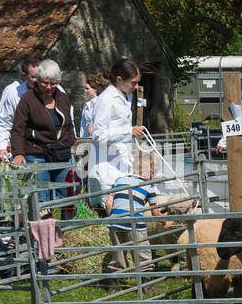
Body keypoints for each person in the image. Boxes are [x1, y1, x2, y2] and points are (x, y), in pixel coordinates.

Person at [10, 59, 76, 209]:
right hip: (37, 154)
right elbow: (18, 129)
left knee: (68, 196)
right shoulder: (27, 100)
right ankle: (43, 231)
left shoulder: (63, 98)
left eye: (53, 83)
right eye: (45, 82)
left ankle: (67, 229)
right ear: (38, 80)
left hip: (61, 153)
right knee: (41, 199)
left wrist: (71, 141)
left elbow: (69, 124)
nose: (49, 87)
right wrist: (18, 153)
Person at [89, 58, 146, 207]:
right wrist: (128, 132)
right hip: (107, 167)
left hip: (122, 163)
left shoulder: (125, 95)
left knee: (125, 210)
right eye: (133, 82)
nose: (136, 86)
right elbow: (98, 135)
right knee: (113, 212)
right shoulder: (106, 100)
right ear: (119, 80)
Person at [99, 161, 156, 274]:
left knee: (118, 253)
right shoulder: (149, 186)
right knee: (142, 253)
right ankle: (146, 283)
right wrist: (166, 221)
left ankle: (113, 283)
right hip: (135, 223)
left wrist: (113, 218)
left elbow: (108, 204)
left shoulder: (119, 180)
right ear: (151, 172)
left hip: (115, 221)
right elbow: (155, 212)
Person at [0, 56, 40, 162]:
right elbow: (3, 121)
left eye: (41, 76)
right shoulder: (12, 92)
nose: (38, 80)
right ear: (24, 76)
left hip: (54, 151)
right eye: (34, 77)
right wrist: (1, 148)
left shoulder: (56, 90)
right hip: (24, 150)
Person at [79, 73, 109, 137]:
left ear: (95, 89)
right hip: (87, 139)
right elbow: (83, 123)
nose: (85, 91)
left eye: (87, 89)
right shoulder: (86, 104)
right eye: (85, 88)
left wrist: (94, 127)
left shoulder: (102, 102)